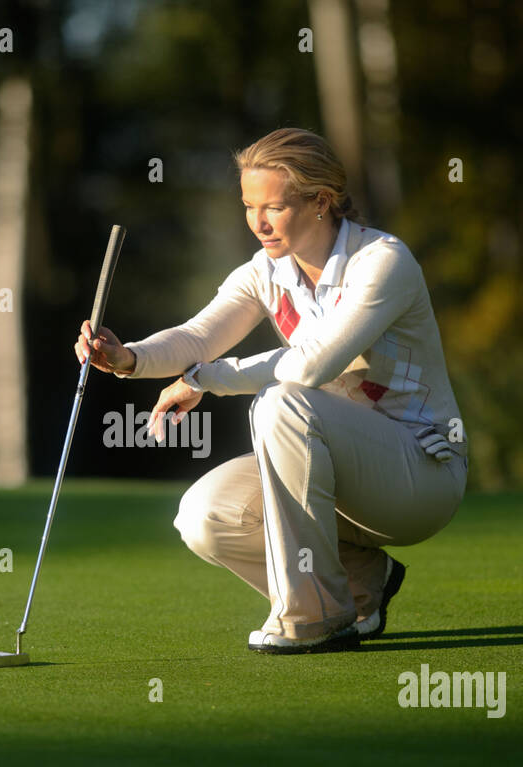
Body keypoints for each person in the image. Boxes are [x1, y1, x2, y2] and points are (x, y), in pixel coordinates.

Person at [74, 128, 467, 654]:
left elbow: (309, 365)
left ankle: (315, 617)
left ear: (321, 202)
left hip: (419, 473)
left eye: (274, 207)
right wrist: (126, 357)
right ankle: (361, 583)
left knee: (283, 401)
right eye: (248, 206)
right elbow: (197, 336)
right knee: (205, 516)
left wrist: (203, 380)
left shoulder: (383, 262)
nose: (258, 222)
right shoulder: (266, 271)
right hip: (335, 469)